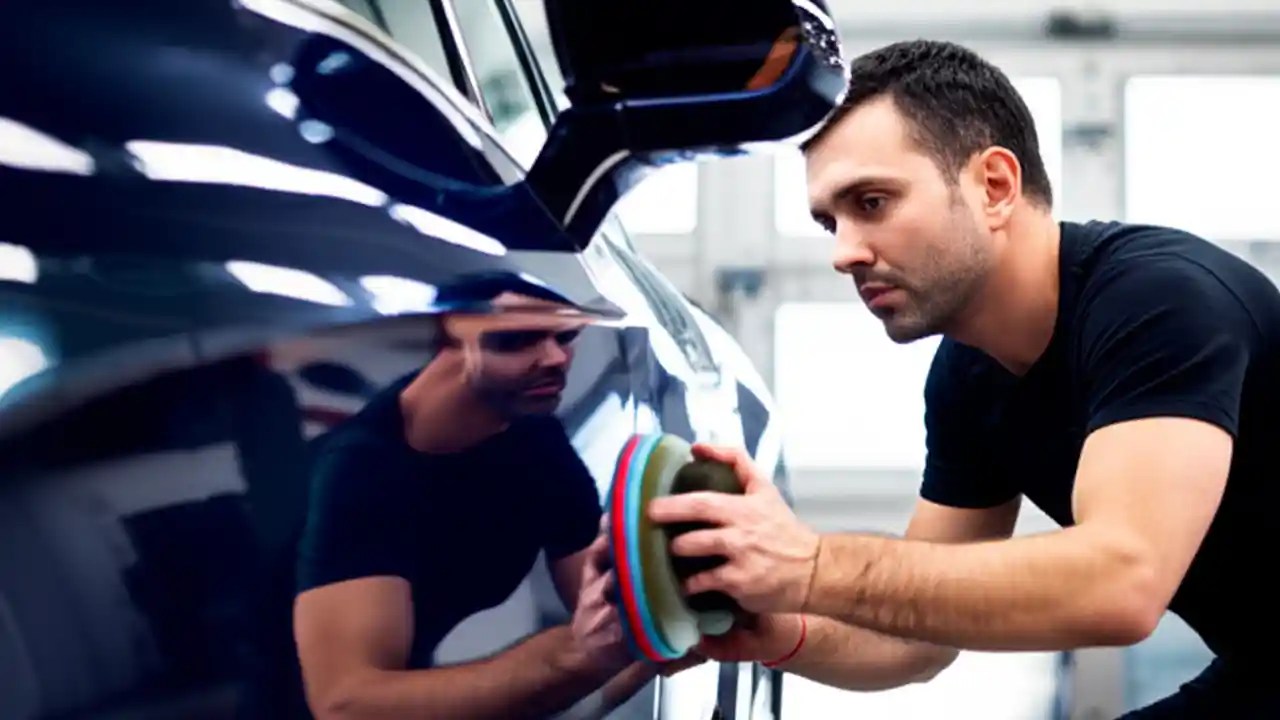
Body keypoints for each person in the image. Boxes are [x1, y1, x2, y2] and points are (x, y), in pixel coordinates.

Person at [644, 39, 1280, 717]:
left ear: (995, 186)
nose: (844, 253)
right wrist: (779, 631)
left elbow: (1120, 583)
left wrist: (808, 566)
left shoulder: (1159, 302)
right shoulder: (970, 374)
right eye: (831, 220)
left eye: (873, 202)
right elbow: (916, 644)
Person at [291, 295, 695, 720]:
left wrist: (683, 614)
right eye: (520, 339)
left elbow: (617, 619)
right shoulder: (363, 469)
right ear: (452, 329)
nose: (556, 357)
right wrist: (575, 656)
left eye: (565, 336)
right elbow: (347, 704)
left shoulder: (536, 444)